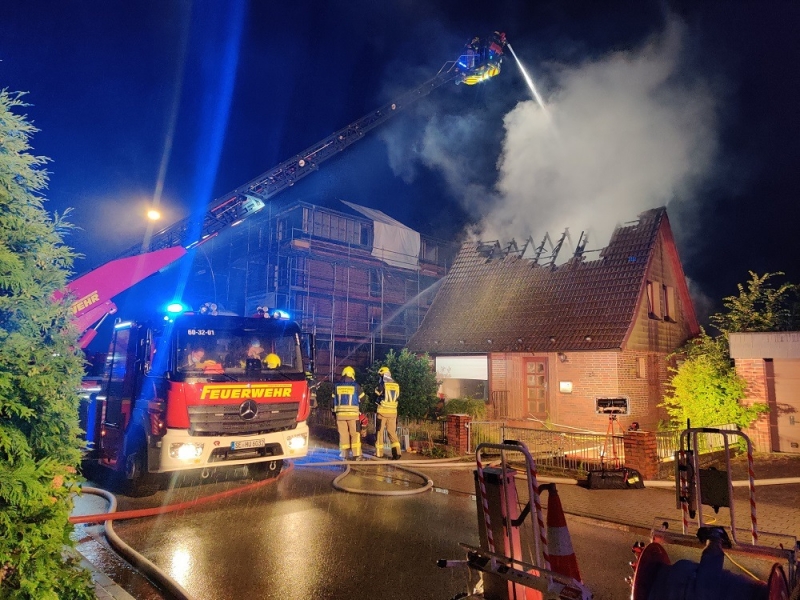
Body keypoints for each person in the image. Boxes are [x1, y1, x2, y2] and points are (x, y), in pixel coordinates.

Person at [333, 366, 365, 460]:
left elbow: (332, 401)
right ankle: (356, 454)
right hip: (353, 415)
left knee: (343, 435)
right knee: (355, 434)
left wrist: (334, 414)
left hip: (340, 415)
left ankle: (344, 454)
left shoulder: (337, 386)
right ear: (352, 375)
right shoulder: (356, 386)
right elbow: (363, 398)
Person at [375, 366, 401, 460]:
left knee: (379, 432)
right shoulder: (396, 385)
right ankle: (397, 453)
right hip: (393, 412)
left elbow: (377, 392)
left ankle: (379, 453)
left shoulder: (383, 384)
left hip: (382, 412)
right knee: (392, 432)